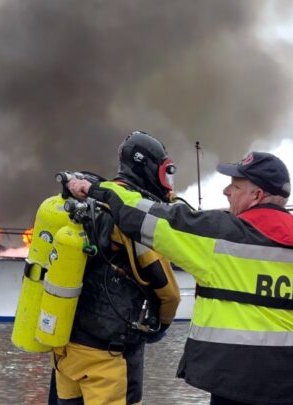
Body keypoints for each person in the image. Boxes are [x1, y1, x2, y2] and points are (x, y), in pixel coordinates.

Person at [69, 151, 293, 405]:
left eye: (235, 186)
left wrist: (96, 189)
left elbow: (151, 217)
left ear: (257, 195)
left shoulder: (224, 236)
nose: (226, 191)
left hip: (237, 384)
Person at [51, 131, 181, 405]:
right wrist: (160, 327)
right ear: (147, 169)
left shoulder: (87, 203)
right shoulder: (133, 217)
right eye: (165, 174)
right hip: (108, 358)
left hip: (66, 349)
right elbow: (168, 292)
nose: (167, 185)